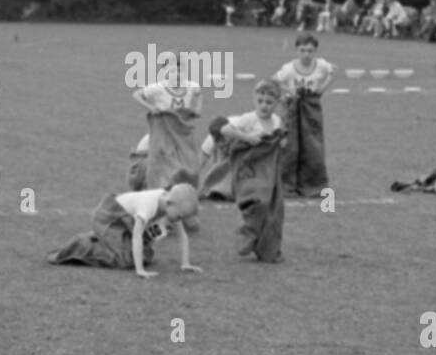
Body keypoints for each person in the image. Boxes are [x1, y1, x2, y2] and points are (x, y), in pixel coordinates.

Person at [47, 183, 202, 277]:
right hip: (108, 217)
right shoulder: (148, 205)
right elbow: (137, 236)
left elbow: (183, 236)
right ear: (169, 203)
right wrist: (139, 270)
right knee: (124, 260)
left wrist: (185, 263)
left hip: (123, 222)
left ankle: (102, 241)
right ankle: (81, 244)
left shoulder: (170, 205)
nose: (180, 220)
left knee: (145, 255)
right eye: (180, 215)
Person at [212, 79, 285, 262]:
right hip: (251, 171)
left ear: (276, 102)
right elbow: (225, 130)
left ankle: (267, 249)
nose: (264, 106)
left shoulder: (277, 120)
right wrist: (248, 137)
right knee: (257, 203)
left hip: (270, 173)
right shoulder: (248, 118)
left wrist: (281, 142)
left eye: (269, 102)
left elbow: (282, 139)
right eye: (260, 101)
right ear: (254, 99)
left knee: (274, 210)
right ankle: (247, 234)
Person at [132, 52, 203, 196]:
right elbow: (137, 94)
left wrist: (197, 109)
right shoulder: (158, 88)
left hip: (181, 137)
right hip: (161, 134)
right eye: (171, 71)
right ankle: (145, 181)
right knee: (157, 161)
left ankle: (181, 191)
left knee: (186, 164)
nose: (176, 74)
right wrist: (151, 108)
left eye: (179, 70)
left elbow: (198, 92)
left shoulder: (190, 86)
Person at [274, 32, 335, 198]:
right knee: (290, 147)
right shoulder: (288, 69)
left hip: (311, 109)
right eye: (302, 50)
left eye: (310, 50)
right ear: (296, 50)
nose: (306, 54)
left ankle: (313, 186)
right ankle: (286, 187)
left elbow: (333, 72)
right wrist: (289, 91)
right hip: (292, 109)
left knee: (313, 146)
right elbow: (276, 80)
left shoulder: (321, 65)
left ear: (315, 51)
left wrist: (321, 89)